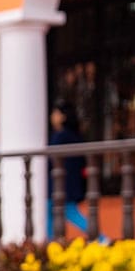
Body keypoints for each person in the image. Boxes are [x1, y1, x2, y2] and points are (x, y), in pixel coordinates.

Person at [48, 102, 91, 240]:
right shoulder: (74, 136)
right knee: (62, 213)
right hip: (70, 185)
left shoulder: (60, 136)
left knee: (61, 213)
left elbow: (50, 160)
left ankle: (100, 238)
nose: (52, 116)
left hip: (58, 185)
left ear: (63, 117)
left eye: (56, 113)